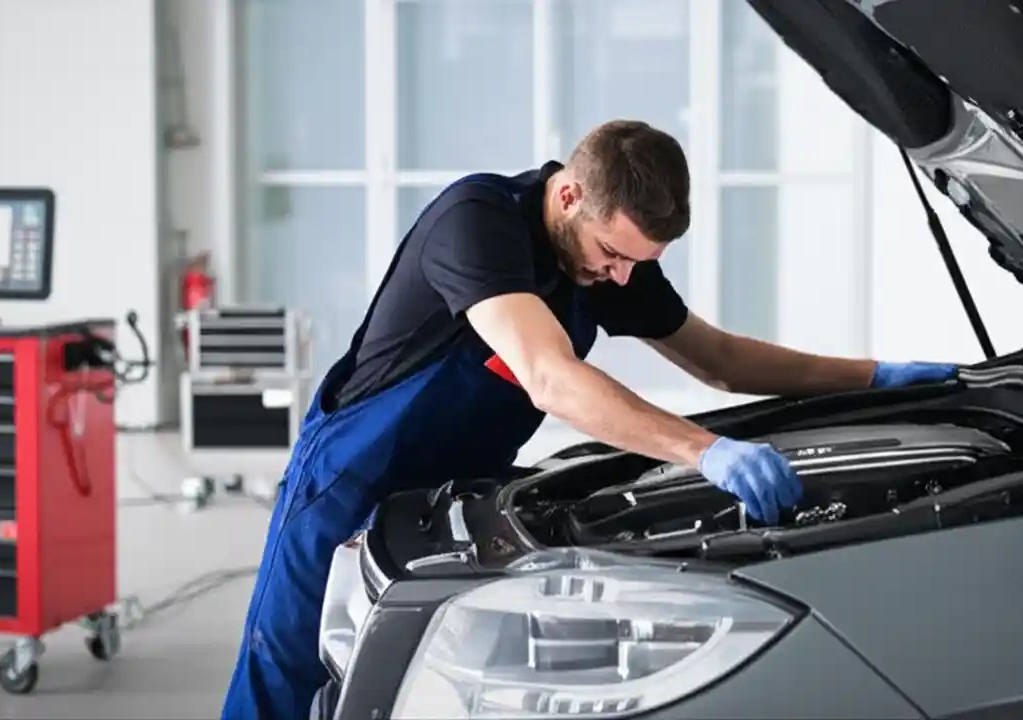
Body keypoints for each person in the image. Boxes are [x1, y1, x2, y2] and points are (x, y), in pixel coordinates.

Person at [220, 119, 957, 718]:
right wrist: (706, 451)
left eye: (638, 262)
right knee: (286, 669)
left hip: (462, 494)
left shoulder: (607, 261)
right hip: (350, 478)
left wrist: (872, 375)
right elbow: (549, 378)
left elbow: (722, 359)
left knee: (423, 684)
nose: (621, 277)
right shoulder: (476, 222)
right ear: (569, 195)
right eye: (614, 254)